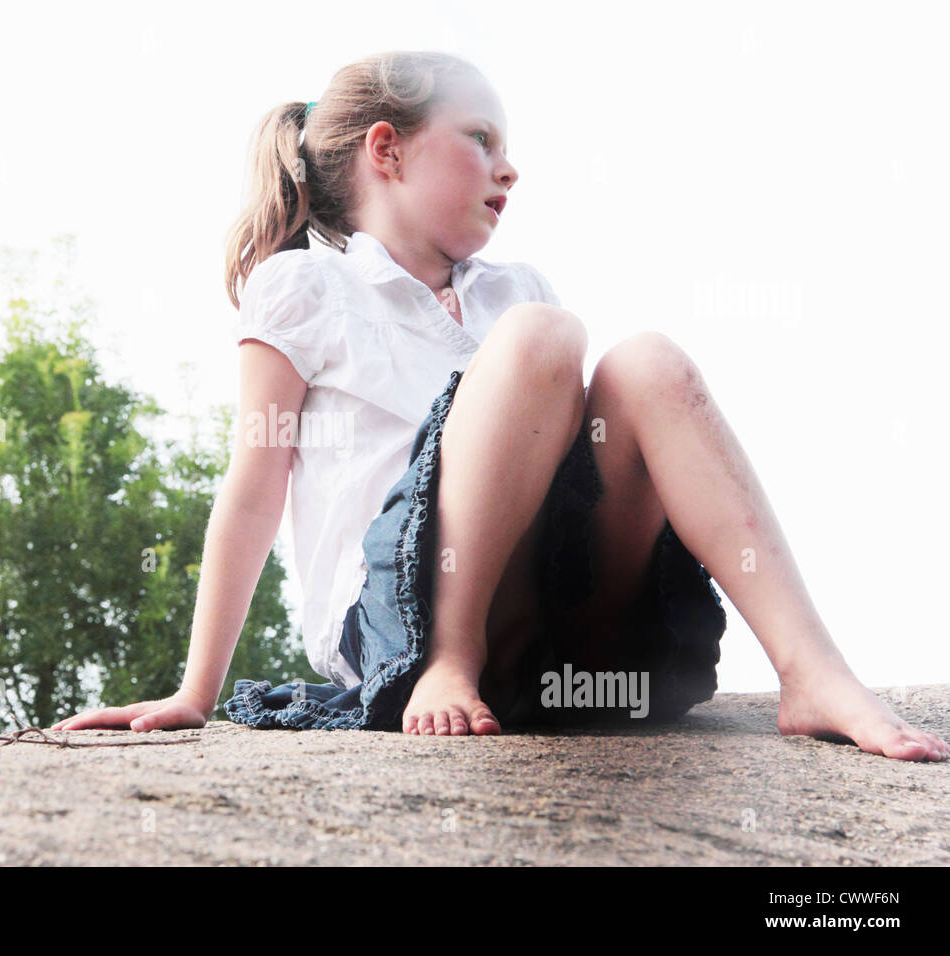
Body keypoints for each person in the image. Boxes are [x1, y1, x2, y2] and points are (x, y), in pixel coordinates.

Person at [52, 50, 948, 761]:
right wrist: (193, 692)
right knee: (544, 337)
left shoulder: (512, 288)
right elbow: (252, 492)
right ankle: (452, 651)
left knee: (643, 361)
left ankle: (813, 670)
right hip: (401, 637)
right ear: (386, 148)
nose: (508, 169)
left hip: (564, 639)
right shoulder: (306, 288)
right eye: (480, 137)